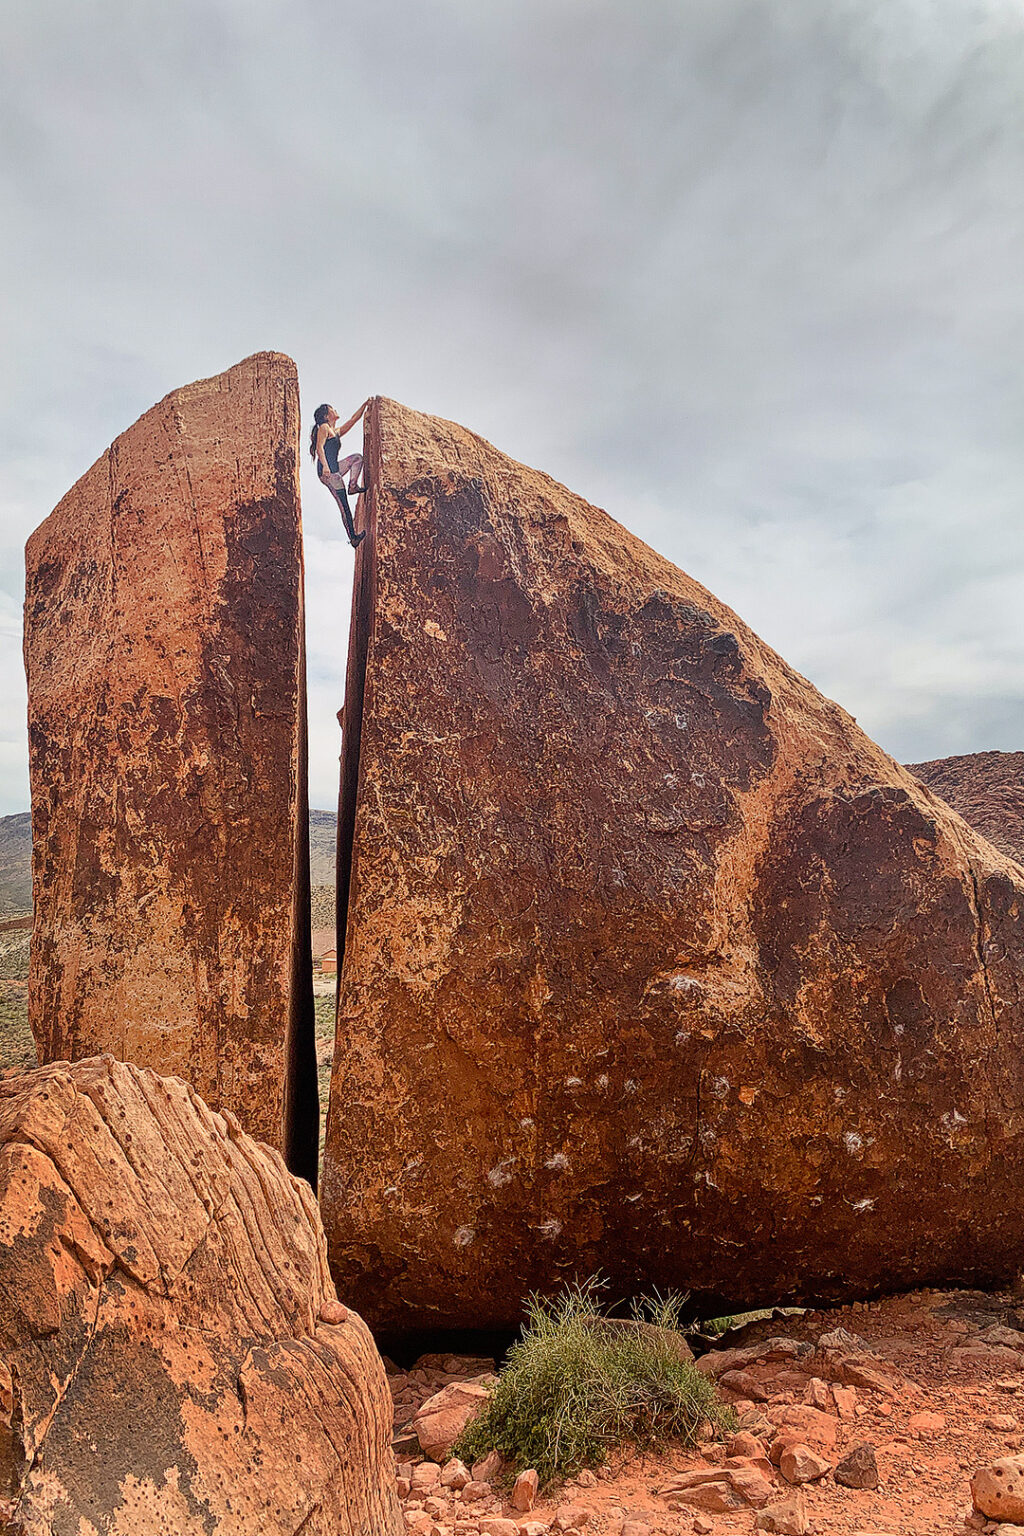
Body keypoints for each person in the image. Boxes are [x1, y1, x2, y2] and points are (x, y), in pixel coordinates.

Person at [310, 400, 369, 548]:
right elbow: (319, 448)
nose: (335, 410)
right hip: (328, 473)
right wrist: (324, 467)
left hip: (335, 469)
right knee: (344, 506)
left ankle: (353, 486)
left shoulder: (335, 431)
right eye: (332, 409)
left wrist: (365, 404)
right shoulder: (323, 427)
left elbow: (353, 420)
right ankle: (353, 538)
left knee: (357, 459)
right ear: (326, 415)